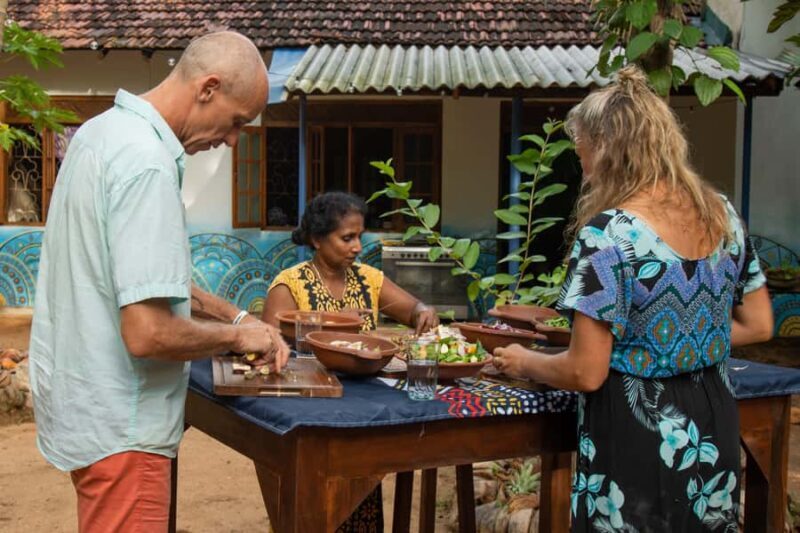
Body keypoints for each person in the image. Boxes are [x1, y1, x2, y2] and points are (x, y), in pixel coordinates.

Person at [491, 66, 773, 531]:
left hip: (637, 435)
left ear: (606, 150)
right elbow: (760, 324)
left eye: (582, 155)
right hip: (711, 424)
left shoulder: (610, 236)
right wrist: (684, 342)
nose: (583, 170)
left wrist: (524, 361)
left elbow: (586, 370)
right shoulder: (722, 212)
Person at [29, 31, 289, 533]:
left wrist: (234, 315)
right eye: (237, 122)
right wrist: (238, 338)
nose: (233, 140)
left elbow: (134, 275)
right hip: (124, 429)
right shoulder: (146, 164)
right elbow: (148, 332)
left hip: (87, 410)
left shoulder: (100, 133)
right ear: (208, 88)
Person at [262, 191, 439, 532]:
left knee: (360, 500)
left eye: (360, 236)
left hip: (364, 417)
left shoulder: (368, 279)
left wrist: (422, 312)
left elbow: (411, 308)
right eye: (347, 238)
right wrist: (334, 321)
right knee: (312, 509)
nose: (357, 246)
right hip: (314, 417)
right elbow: (270, 347)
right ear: (316, 239)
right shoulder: (290, 284)